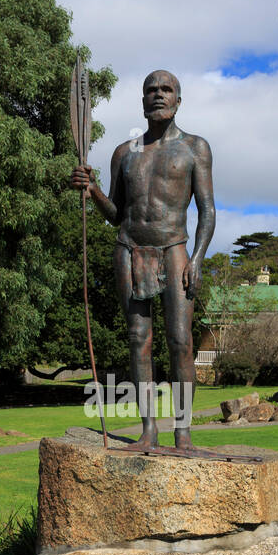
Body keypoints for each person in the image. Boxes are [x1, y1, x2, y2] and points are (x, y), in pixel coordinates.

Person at [70, 69, 216, 449]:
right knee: (138, 339)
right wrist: (92, 189)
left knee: (181, 341)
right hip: (129, 249)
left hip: (174, 250)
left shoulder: (195, 148)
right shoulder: (124, 153)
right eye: (151, 90)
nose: (158, 95)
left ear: (178, 100)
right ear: (142, 100)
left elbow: (208, 210)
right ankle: (149, 428)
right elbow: (116, 213)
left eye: (166, 90)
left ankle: (182, 432)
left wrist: (197, 258)